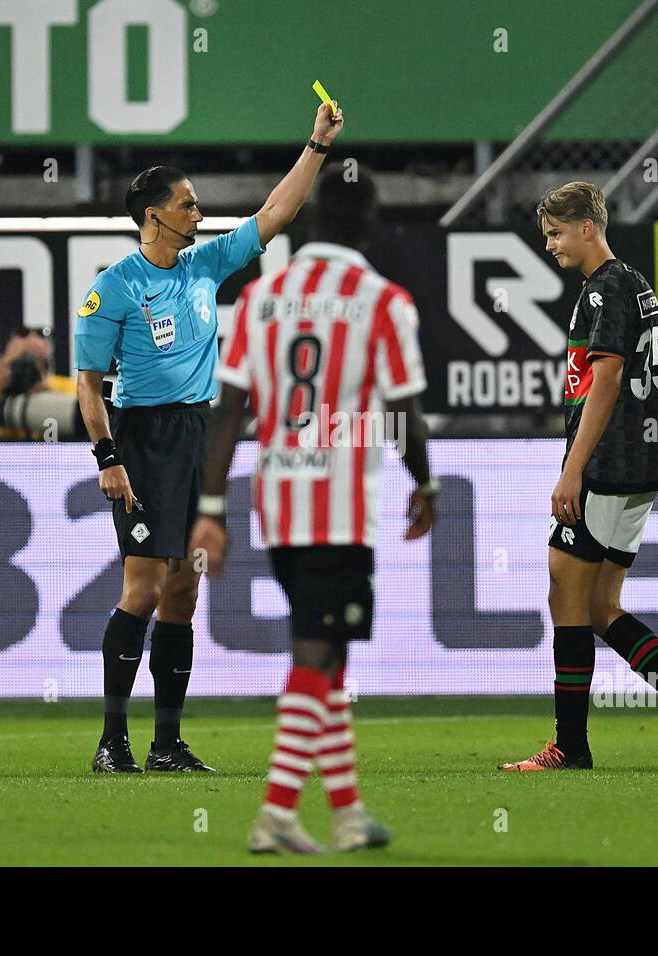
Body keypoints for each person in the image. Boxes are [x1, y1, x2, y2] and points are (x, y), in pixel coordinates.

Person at [75, 101, 345, 775]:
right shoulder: (114, 288)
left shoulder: (204, 266)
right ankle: (113, 743)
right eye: (189, 205)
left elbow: (274, 216)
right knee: (141, 586)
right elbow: (86, 383)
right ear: (154, 215)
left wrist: (315, 144)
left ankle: (166, 743)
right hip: (141, 438)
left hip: (199, 435)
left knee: (185, 588)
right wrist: (107, 457)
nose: (200, 214)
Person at [190, 166, 435, 853]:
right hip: (340, 505)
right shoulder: (381, 300)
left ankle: (350, 814)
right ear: (367, 226)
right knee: (316, 652)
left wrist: (212, 506)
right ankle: (275, 811)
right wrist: (428, 483)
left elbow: (230, 409)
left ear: (314, 224)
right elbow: (403, 409)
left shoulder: (262, 297)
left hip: (279, 502)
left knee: (325, 658)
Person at [500, 182, 658, 773]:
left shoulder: (604, 291)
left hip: (606, 465)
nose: (550, 245)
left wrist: (572, 469)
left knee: (566, 596)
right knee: (601, 606)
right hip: (639, 466)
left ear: (587, 227)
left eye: (555, 233)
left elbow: (606, 382)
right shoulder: (634, 285)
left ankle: (570, 747)